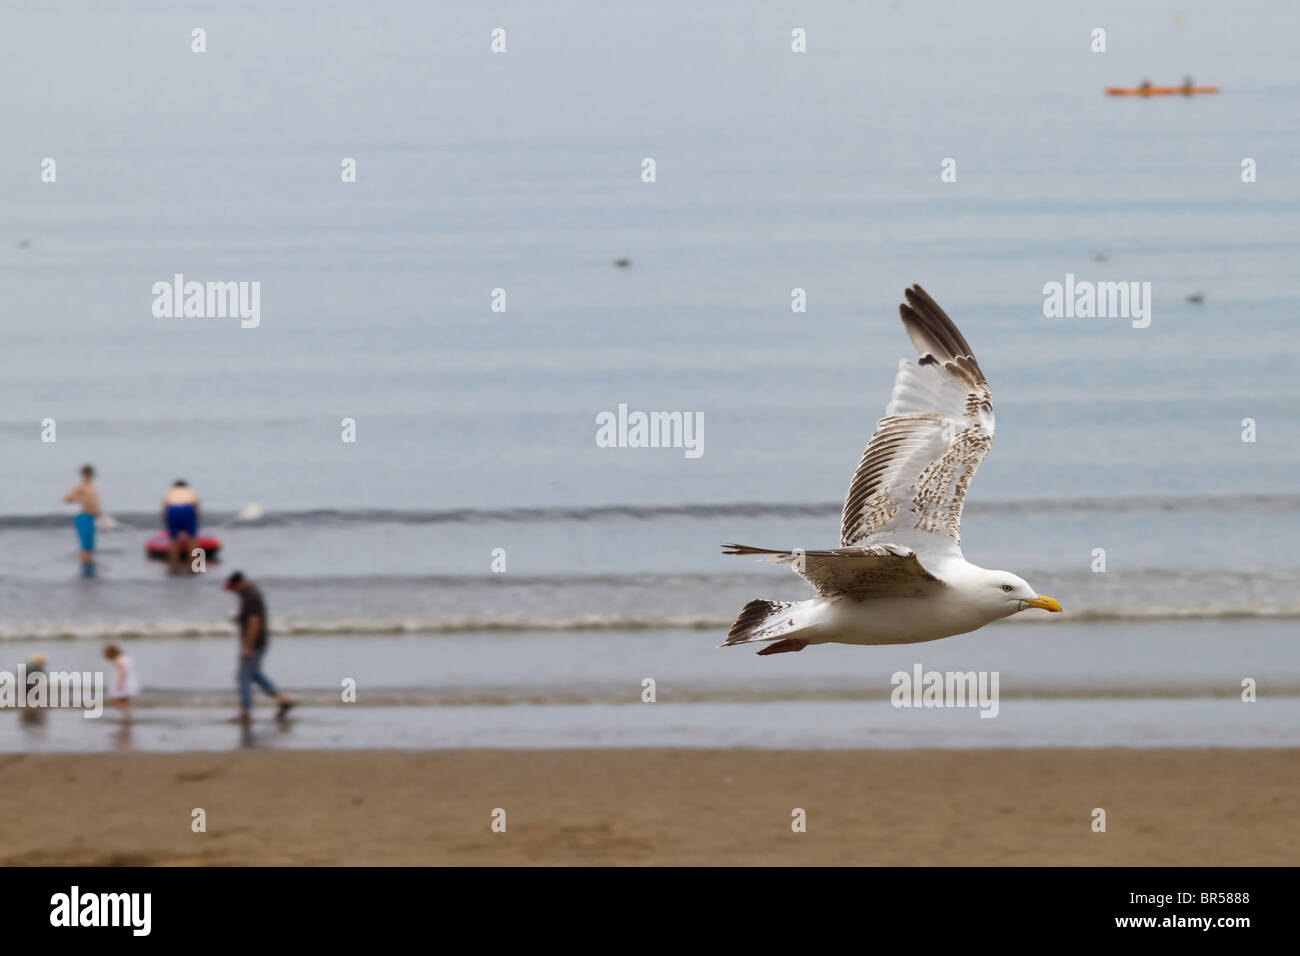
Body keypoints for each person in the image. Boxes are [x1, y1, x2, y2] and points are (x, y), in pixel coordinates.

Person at [223, 571, 295, 723]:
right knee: (255, 674)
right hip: (260, 642)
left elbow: (254, 623)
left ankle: (245, 713)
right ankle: (283, 700)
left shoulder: (250, 597)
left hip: (254, 644)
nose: (234, 592)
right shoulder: (249, 594)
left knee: (243, 677)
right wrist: (239, 618)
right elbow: (251, 618)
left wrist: (247, 647)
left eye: (233, 588)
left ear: (239, 584)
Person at [63, 464, 100, 572]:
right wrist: (79, 497)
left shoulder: (93, 487)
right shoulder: (81, 486)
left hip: (92, 517)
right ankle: (84, 568)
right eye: (86, 474)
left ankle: (88, 567)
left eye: (90, 474)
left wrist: (100, 515)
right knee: (84, 546)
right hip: (83, 517)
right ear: (83, 475)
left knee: (90, 545)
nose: (88, 476)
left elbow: (95, 503)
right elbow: (67, 498)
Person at [162, 480, 201, 574]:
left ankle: (173, 568)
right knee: (192, 540)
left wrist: (165, 522)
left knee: (173, 541)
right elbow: (197, 509)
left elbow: (165, 510)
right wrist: (195, 521)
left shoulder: (169, 493)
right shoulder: (191, 492)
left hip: (173, 509)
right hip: (188, 508)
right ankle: (195, 568)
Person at [103, 644, 140, 721]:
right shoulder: (125, 658)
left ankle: (127, 715)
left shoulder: (117, 660)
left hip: (124, 682)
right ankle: (127, 715)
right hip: (131, 681)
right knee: (124, 700)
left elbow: (122, 672)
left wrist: (120, 683)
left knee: (115, 699)